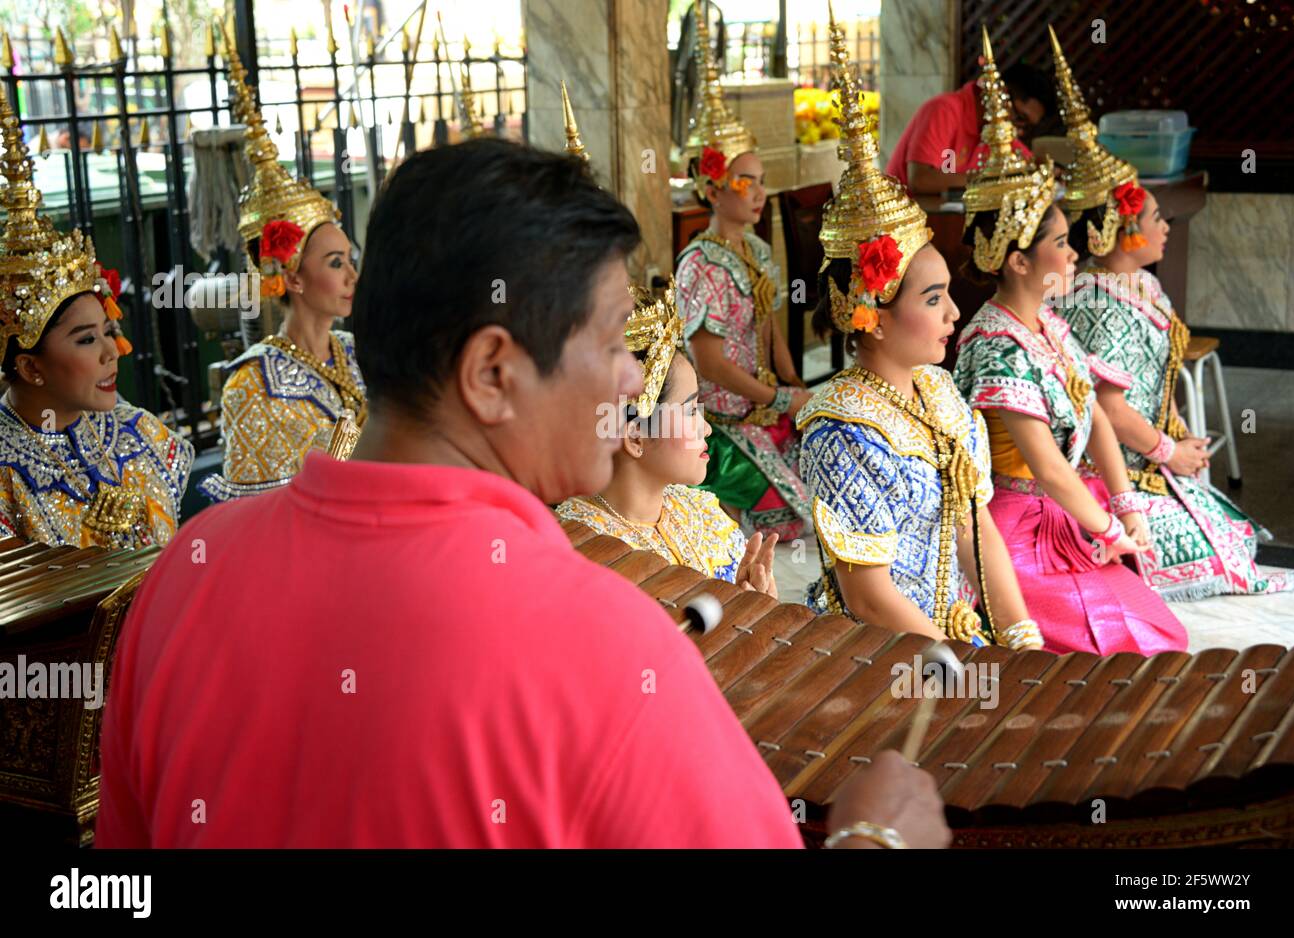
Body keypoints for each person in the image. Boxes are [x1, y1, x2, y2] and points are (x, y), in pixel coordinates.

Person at [96, 137, 948, 849]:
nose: (630, 377)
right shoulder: (610, 649)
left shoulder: (183, 579)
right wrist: (875, 840)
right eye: (616, 340)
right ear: (494, 373)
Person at [797, 16, 1042, 651]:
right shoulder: (840, 428)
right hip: (874, 656)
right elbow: (869, 596)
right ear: (870, 314)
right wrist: (960, 672)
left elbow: (974, 530)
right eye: (933, 300)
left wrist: (1019, 639)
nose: (953, 315)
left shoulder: (940, 392)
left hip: (952, 640)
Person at [951, 34, 1185, 656]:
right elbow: (1050, 469)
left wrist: (1126, 510)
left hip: (1064, 516)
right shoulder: (993, 344)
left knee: (1164, 631)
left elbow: (1098, 419)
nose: (1075, 251)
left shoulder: (1052, 323)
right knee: (1128, 650)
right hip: (1016, 531)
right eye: (1060, 243)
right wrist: (1108, 525)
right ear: (1021, 261)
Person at [1063, 193, 1294, 600]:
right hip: (1105, 471)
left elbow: (1167, 369)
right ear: (1126, 232)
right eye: (1157, 217)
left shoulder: (1144, 283)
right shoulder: (1100, 300)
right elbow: (1109, 410)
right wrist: (1168, 451)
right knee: (1208, 550)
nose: (1166, 227)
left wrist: (1180, 437)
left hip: (1145, 458)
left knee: (1236, 533)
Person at [0, 88, 192, 548]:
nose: (112, 352)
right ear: (30, 366)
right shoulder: (7, 473)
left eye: (110, 331)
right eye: (86, 340)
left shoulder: (133, 430)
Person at [198, 26, 364, 502]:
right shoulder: (253, 383)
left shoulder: (356, 354)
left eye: (350, 259)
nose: (352, 275)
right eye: (335, 263)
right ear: (291, 276)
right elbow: (256, 519)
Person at [674, 0, 810, 541]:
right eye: (744, 181)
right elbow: (709, 362)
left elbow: (769, 326)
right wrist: (775, 398)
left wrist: (796, 388)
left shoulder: (756, 248)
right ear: (711, 189)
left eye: (760, 179)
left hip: (763, 407)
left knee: (822, 479)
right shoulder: (698, 265)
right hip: (725, 422)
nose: (759, 192)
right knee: (793, 516)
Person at [558, 281, 779, 595]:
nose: (706, 429)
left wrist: (756, 605)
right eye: (690, 411)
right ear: (635, 436)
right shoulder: (582, 550)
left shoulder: (701, 510)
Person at [885, 36, 1051, 195]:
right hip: (903, 219)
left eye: (1026, 126)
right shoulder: (945, 110)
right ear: (1001, 94)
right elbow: (921, 181)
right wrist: (991, 181)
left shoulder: (994, 128)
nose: (1019, 131)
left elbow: (1031, 166)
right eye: (1020, 118)